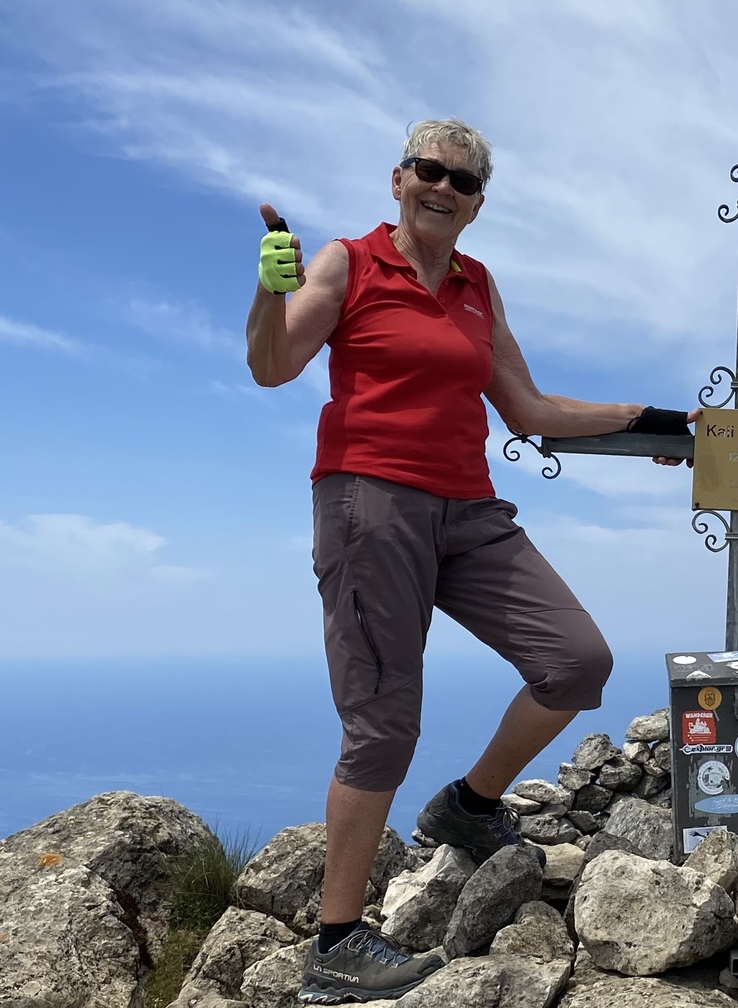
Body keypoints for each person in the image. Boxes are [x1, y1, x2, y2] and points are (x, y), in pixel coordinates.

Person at [245, 117, 694, 1004]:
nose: (443, 187)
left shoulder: (478, 286)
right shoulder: (347, 263)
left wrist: (656, 421)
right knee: (383, 724)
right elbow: (273, 365)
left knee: (576, 660)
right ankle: (335, 946)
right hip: (371, 504)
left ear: (479, 203)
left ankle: (469, 805)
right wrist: (270, 291)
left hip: (470, 511)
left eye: (464, 180)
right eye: (429, 169)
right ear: (398, 179)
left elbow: (527, 408)